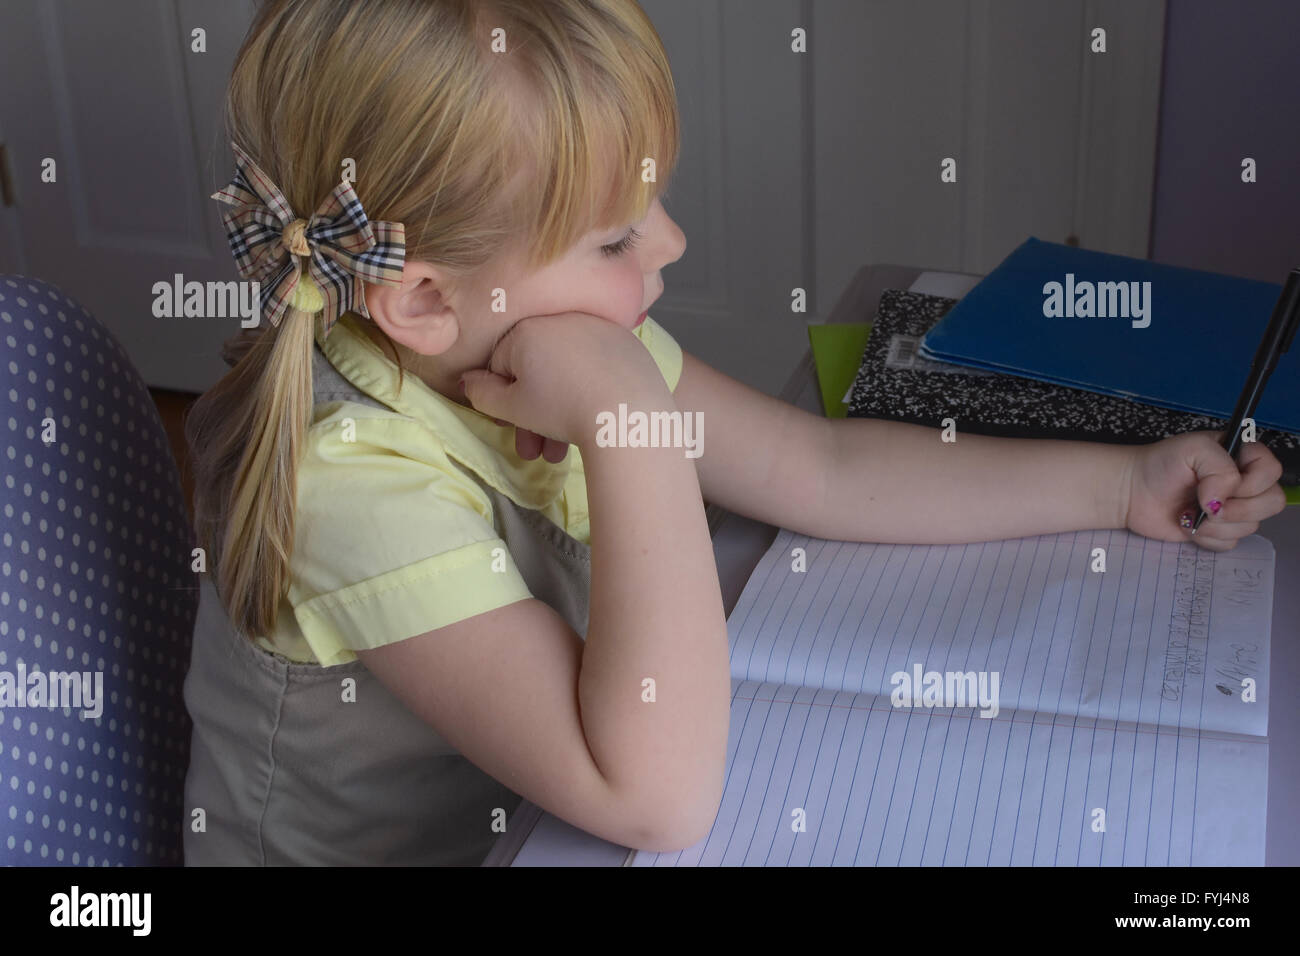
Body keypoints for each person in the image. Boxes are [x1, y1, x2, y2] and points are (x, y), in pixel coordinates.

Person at [180, 0, 1287, 866]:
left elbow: (821, 465)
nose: (671, 242)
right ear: (423, 300)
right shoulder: (351, 481)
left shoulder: (529, 332)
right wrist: (637, 434)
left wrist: (1118, 487)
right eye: (616, 236)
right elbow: (655, 795)